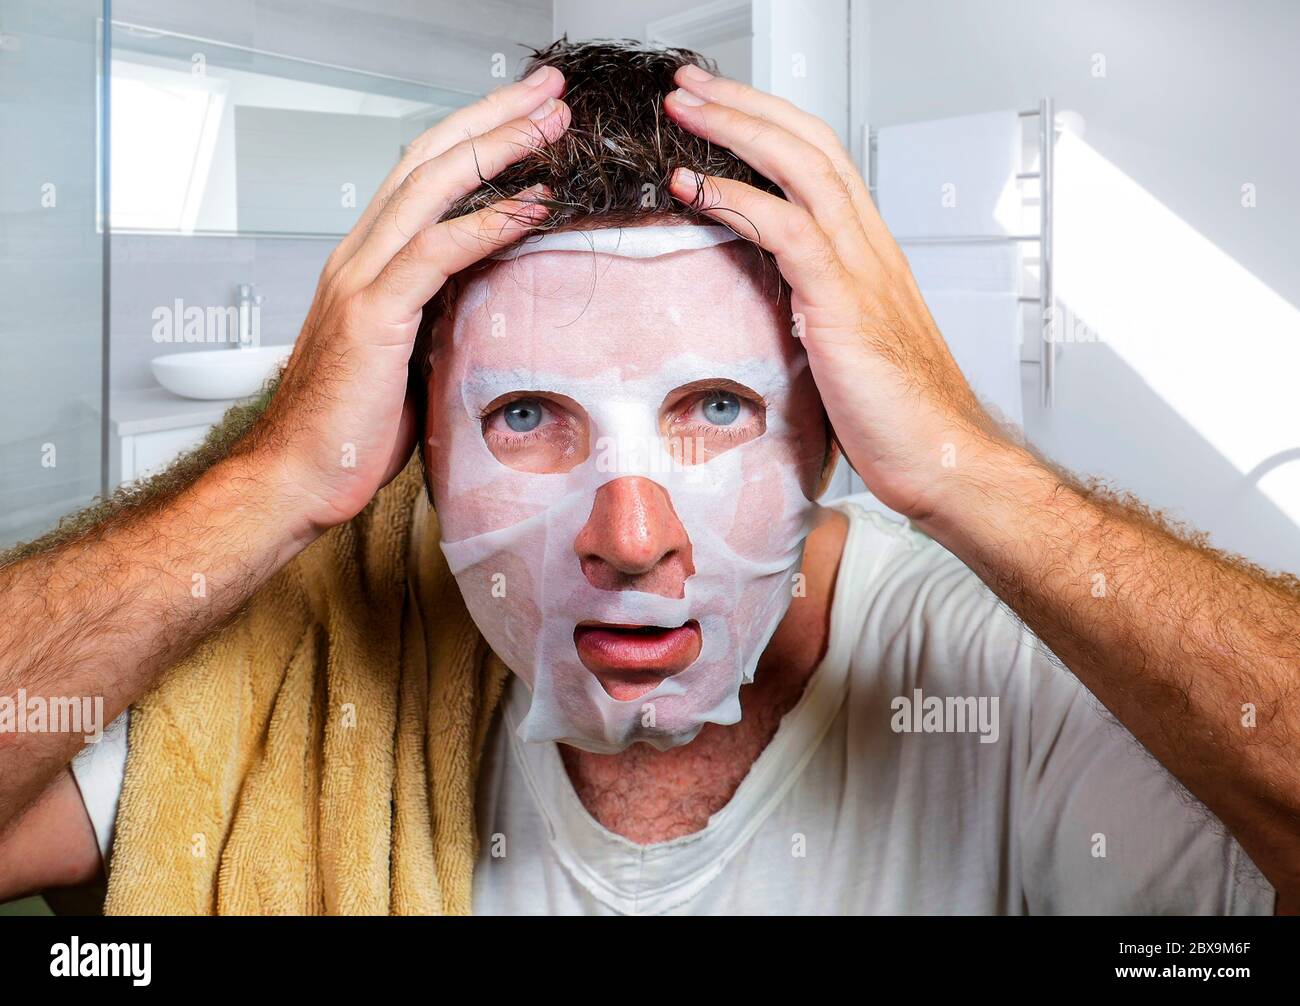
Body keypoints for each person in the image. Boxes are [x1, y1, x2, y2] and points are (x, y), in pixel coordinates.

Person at [0, 40, 1296, 915]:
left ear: (829, 432)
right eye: (525, 416)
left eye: (717, 406)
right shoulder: (319, 657)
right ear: (419, 460)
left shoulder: (977, 677)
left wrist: (971, 471)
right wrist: (277, 473)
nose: (632, 537)